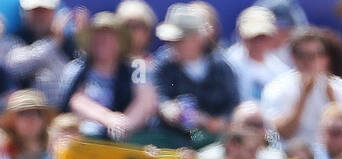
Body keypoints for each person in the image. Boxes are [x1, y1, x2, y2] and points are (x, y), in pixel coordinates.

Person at [58, 11, 157, 141]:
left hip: (127, 141)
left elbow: (146, 102)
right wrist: (108, 118)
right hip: (83, 139)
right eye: (98, 36)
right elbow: (75, 100)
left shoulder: (137, 69)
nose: (103, 41)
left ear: (120, 42)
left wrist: (124, 125)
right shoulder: (76, 69)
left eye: (109, 36)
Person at [151, 3, 239, 144]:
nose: (173, 45)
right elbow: (157, 96)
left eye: (179, 40)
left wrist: (209, 121)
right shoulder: (162, 64)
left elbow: (233, 109)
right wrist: (166, 108)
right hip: (169, 140)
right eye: (171, 41)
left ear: (197, 39)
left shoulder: (221, 68)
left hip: (212, 143)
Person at [262, 25, 342, 147]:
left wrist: (331, 98)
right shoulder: (278, 87)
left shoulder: (340, 87)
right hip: (290, 156)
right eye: (303, 55)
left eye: (318, 54)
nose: (311, 60)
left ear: (326, 58)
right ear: (294, 57)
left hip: (330, 156)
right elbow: (280, 134)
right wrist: (303, 96)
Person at [224, 5, 288, 102]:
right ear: (241, 36)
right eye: (252, 37)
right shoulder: (227, 65)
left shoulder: (280, 69)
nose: (258, 43)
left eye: (262, 37)